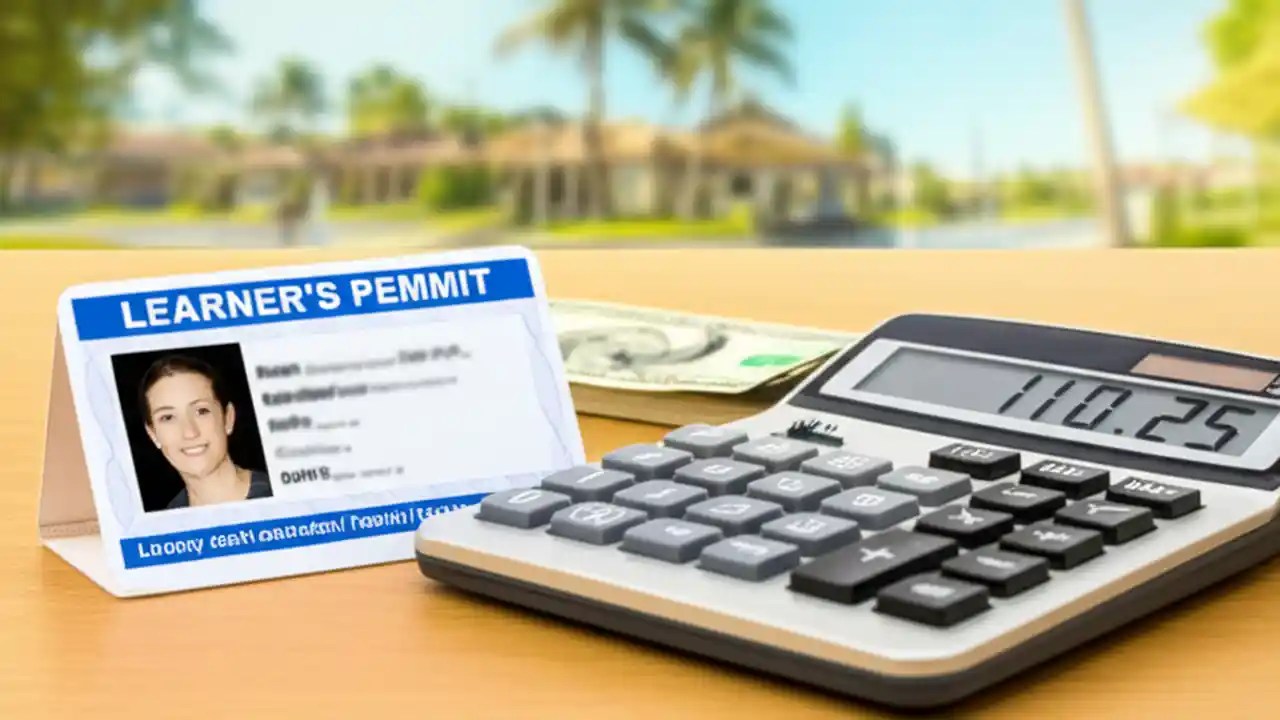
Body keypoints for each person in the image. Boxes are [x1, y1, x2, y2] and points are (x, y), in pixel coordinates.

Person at [137, 354, 272, 509]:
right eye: (168, 417)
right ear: (153, 434)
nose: (190, 432)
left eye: (201, 411)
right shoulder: (163, 525)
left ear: (228, 418)